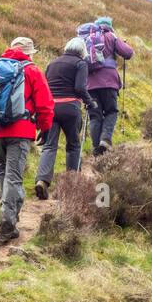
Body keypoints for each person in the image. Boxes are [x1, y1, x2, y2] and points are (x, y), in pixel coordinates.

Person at [0, 36, 55, 241]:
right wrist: (45, 128)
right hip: (20, 131)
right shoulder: (32, 71)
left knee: (3, 170)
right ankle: (7, 223)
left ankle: (7, 215)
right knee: (13, 176)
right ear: (28, 53)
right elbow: (45, 103)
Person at [35, 37, 97, 199]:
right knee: (73, 145)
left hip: (51, 108)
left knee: (49, 146)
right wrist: (90, 102)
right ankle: (71, 184)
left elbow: (45, 88)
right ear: (82, 51)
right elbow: (79, 87)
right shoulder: (80, 64)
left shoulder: (52, 63)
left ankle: (42, 180)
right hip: (70, 108)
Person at [81, 16, 134, 154]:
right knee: (111, 111)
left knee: (95, 115)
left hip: (91, 84)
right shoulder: (111, 36)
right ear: (109, 26)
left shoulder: (87, 38)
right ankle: (105, 140)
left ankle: (96, 148)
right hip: (109, 82)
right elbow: (128, 53)